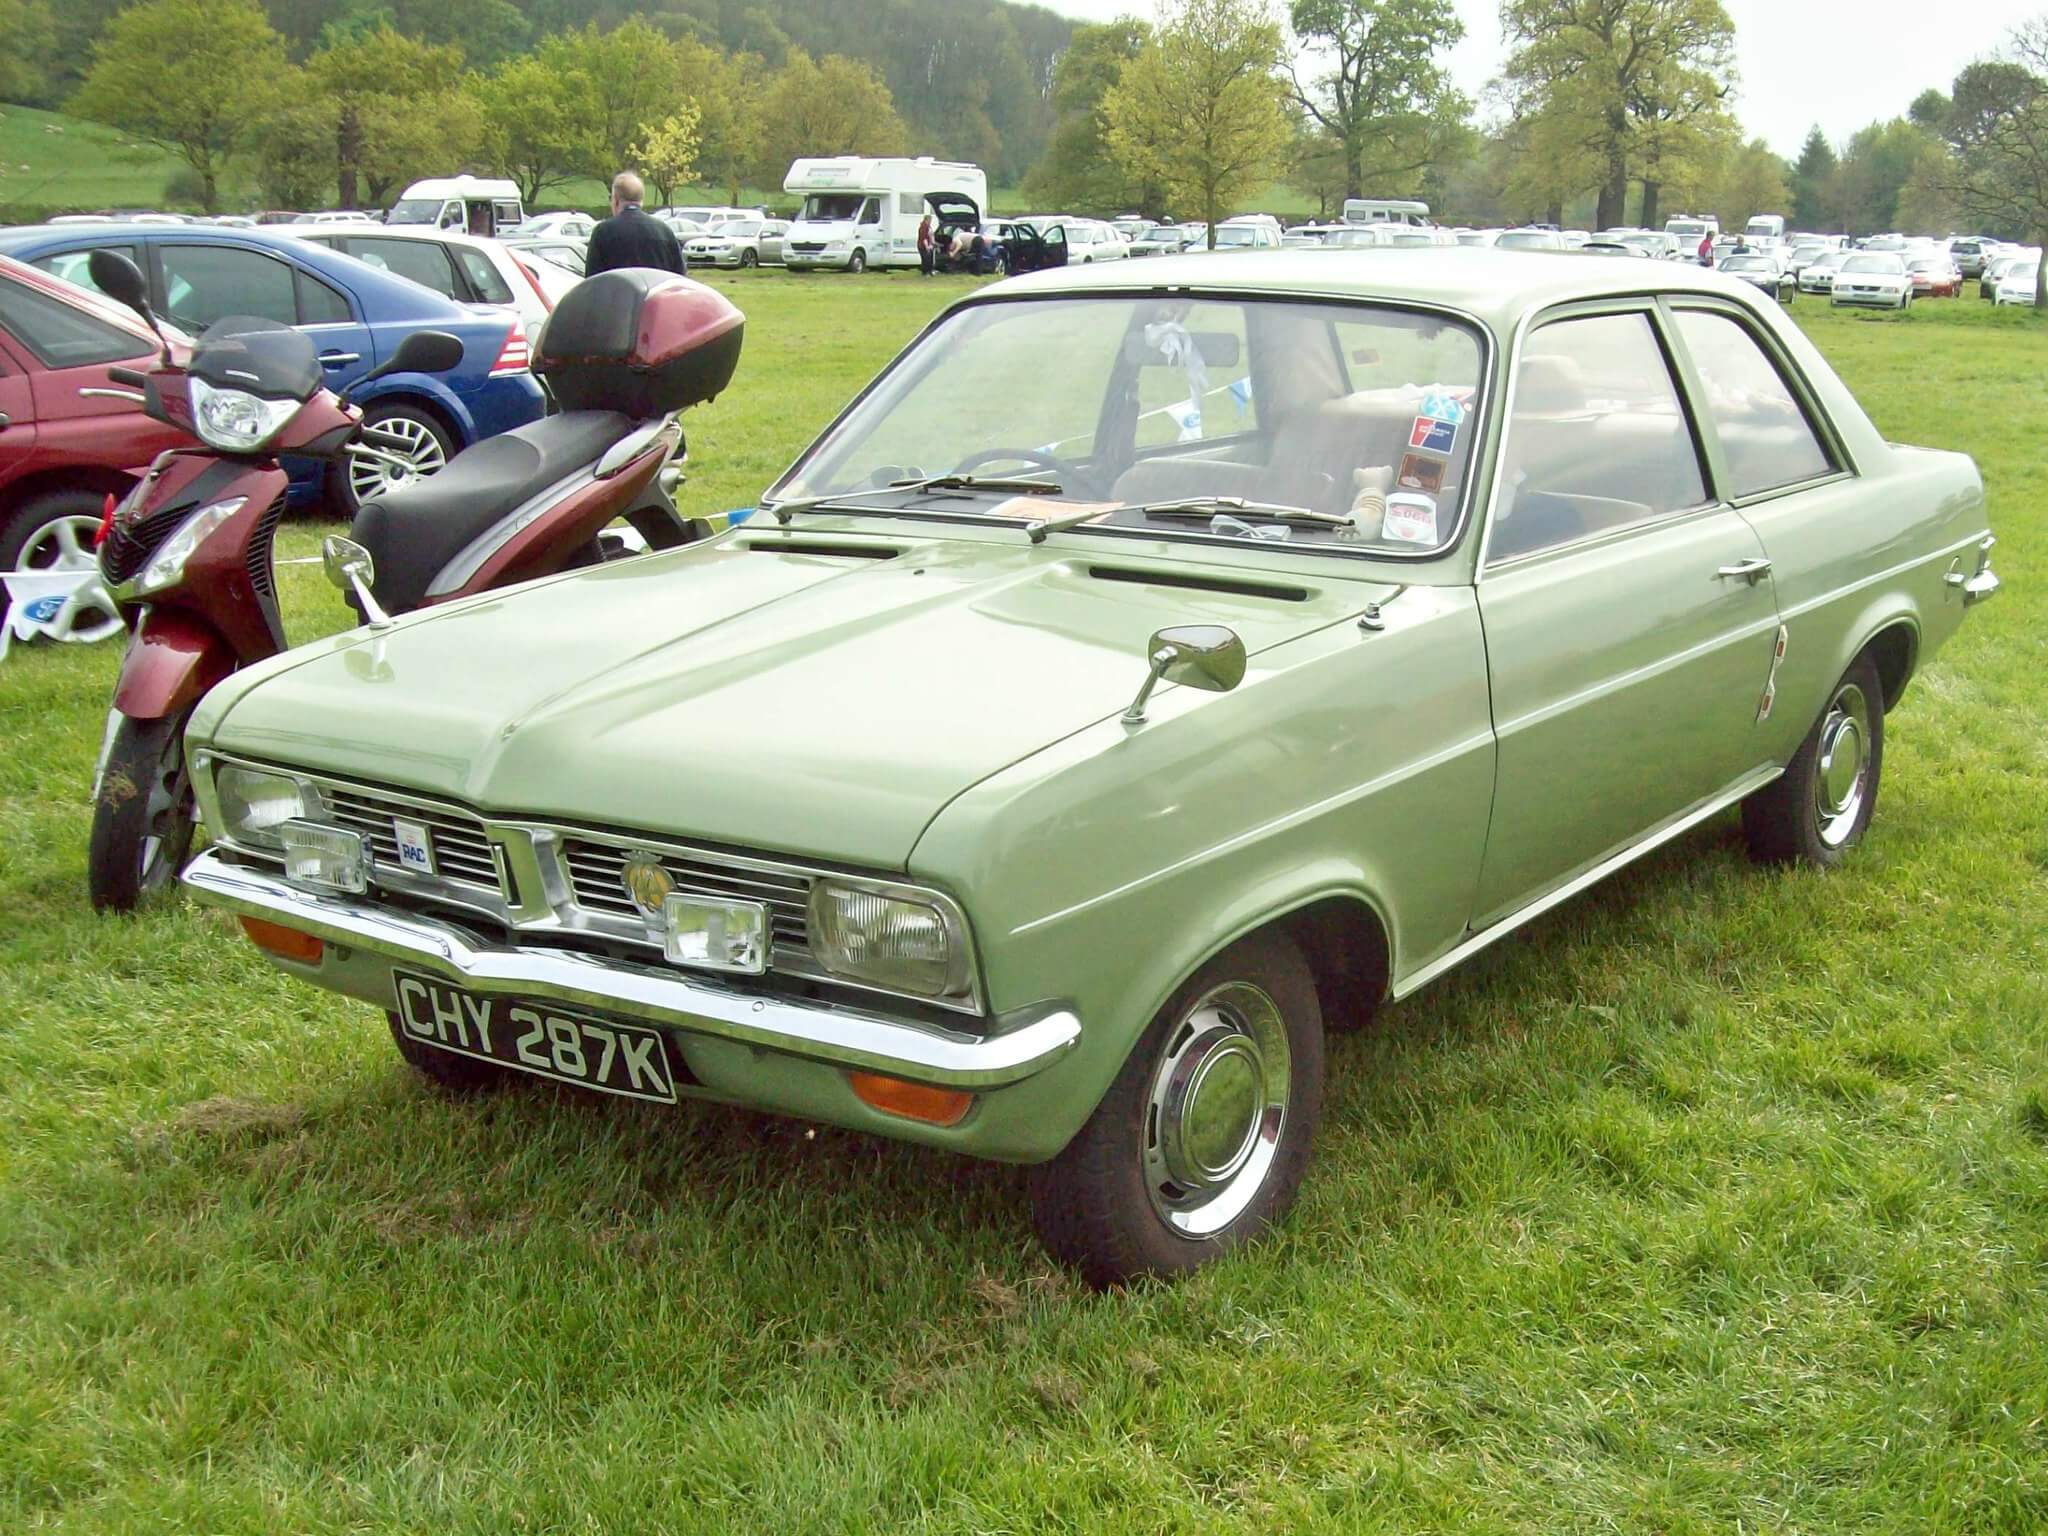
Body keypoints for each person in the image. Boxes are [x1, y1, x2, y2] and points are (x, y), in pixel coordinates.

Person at [585, 171, 688, 278]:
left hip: (617, 288)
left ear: (615, 199)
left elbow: (593, 280)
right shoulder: (665, 232)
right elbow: (679, 277)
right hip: (656, 288)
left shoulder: (603, 232)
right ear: (641, 200)